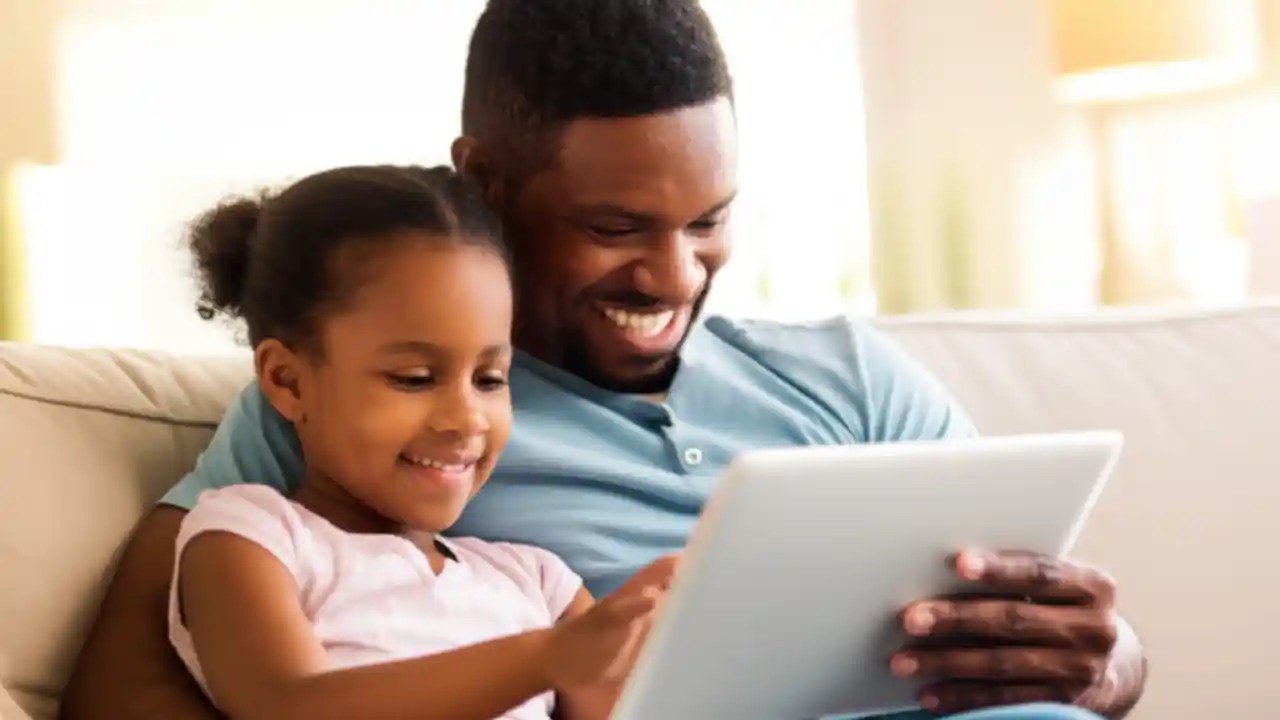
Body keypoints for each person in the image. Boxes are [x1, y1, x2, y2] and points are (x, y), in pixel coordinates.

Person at [61, 1, 1147, 718]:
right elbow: (128, 684)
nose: (674, 278)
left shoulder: (849, 379)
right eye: (617, 227)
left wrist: (1104, 663)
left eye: (708, 220)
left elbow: (1083, 643)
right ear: (485, 181)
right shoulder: (365, 414)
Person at [164, 164, 677, 720]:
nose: (465, 419)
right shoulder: (251, 537)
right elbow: (288, 705)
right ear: (288, 382)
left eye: (490, 379)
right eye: (413, 377)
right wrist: (545, 660)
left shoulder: (537, 584)